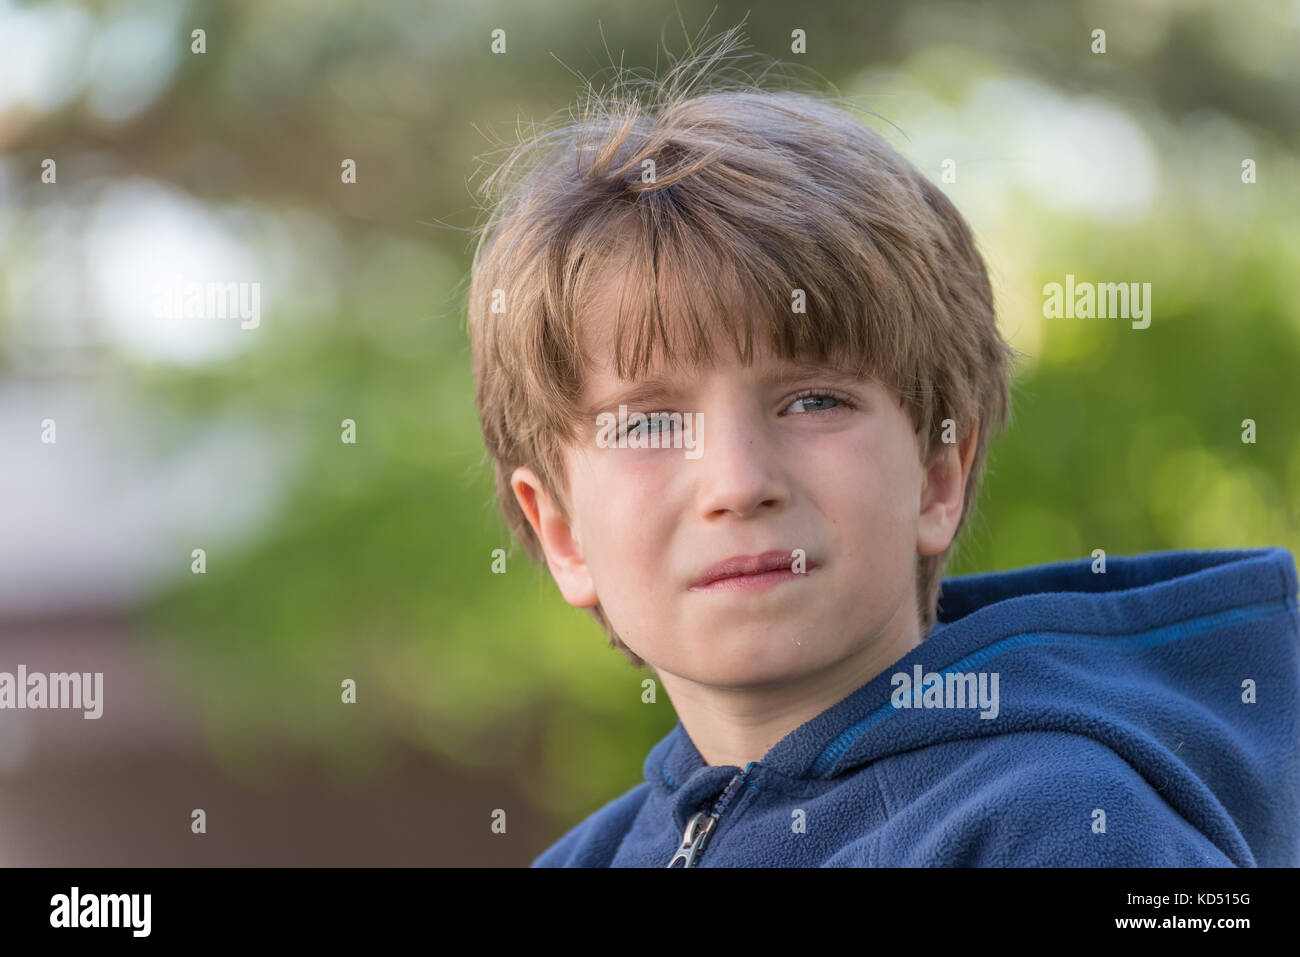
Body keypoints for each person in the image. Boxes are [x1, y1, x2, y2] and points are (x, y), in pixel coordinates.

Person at [464, 27, 1300, 867]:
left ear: (939, 472)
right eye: (648, 423)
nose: (739, 481)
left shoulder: (1065, 823)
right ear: (562, 532)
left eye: (814, 400)